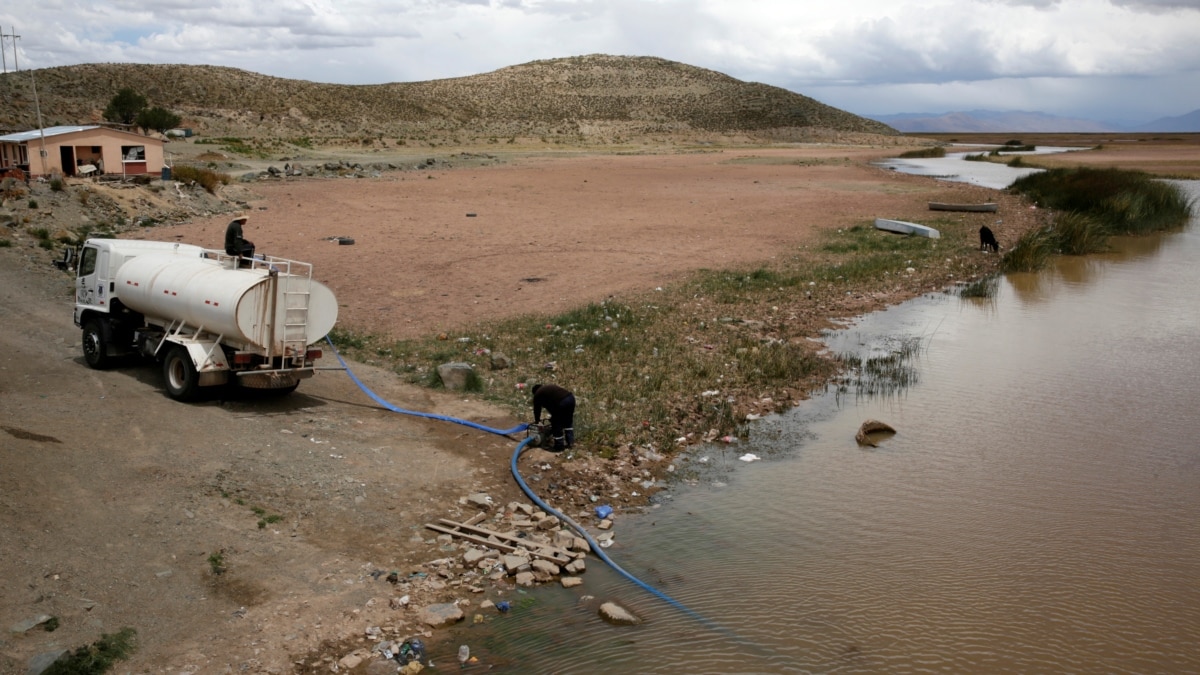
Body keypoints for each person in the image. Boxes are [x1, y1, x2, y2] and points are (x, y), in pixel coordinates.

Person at [531, 383, 575, 452]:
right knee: (568, 422)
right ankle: (570, 443)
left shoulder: (537, 394)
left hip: (562, 401)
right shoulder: (547, 389)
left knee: (556, 425)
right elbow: (552, 406)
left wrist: (537, 421)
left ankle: (559, 446)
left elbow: (537, 410)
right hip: (571, 398)